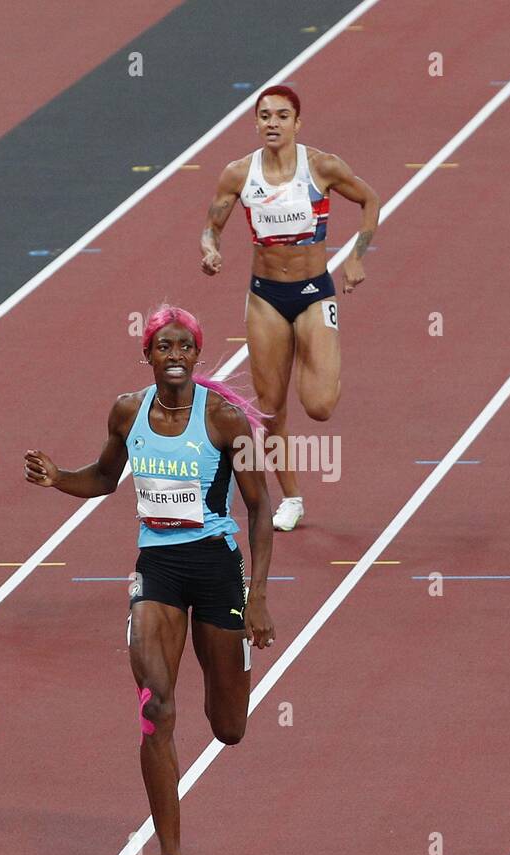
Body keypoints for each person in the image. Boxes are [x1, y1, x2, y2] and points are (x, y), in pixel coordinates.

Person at [24, 305, 275, 855]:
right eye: (164, 347)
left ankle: (235, 664)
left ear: (198, 354)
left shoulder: (224, 420)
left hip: (216, 568)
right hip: (157, 567)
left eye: (185, 347)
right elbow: (106, 479)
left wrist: (256, 597)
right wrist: (59, 477)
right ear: (148, 355)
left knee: (229, 727)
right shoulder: (127, 412)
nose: (175, 357)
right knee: (156, 707)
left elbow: (261, 507)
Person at [200, 84, 380, 531]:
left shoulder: (322, 167)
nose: (273, 123)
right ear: (256, 123)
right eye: (265, 116)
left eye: (282, 116)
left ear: (297, 123)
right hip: (265, 298)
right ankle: (292, 498)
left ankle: (315, 352)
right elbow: (212, 227)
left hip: (314, 294)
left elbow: (369, 200)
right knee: (270, 406)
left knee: (318, 406)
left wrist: (357, 256)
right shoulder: (239, 174)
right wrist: (210, 250)